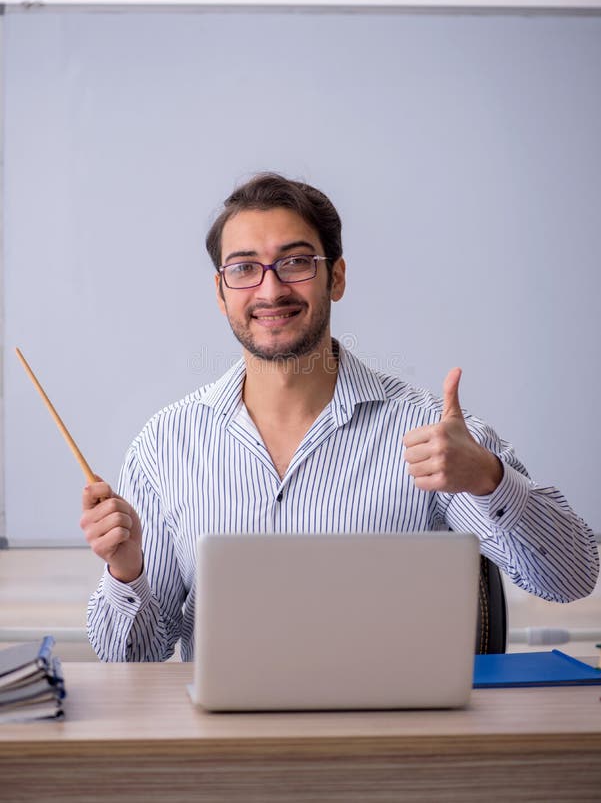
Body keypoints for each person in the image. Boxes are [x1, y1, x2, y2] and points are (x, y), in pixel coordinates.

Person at [81, 173, 599, 662]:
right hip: (227, 751)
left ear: (338, 277)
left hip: (394, 746)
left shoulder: (431, 433)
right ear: (221, 294)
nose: (270, 291)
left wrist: (490, 480)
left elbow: (572, 578)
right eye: (243, 268)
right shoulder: (166, 444)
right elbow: (132, 660)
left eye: (295, 262)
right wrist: (125, 573)